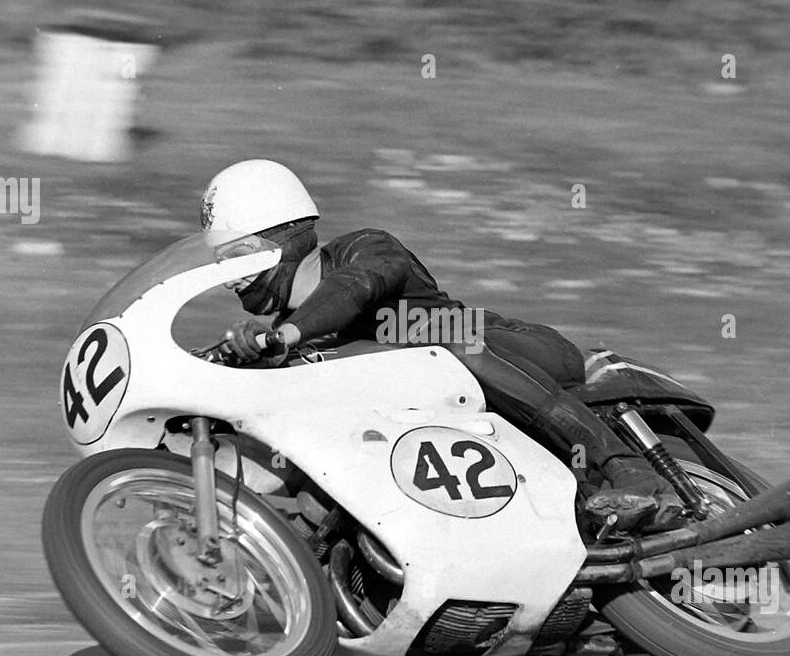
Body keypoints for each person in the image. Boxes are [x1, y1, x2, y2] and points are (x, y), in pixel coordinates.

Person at [201, 159, 678, 528]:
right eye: (221, 266)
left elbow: (357, 288)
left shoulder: (365, 248)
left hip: (519, 351)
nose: (231, 281)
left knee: (441, 342)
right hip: (457, 440)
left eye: (238, 259)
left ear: (284, 237)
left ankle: (626, 466)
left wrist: (284, 336)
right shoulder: (287, 349)